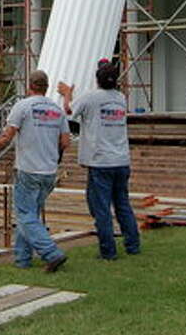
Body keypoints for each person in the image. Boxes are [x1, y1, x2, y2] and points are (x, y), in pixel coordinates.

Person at [0, 70, 70, 272]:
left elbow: (6, 137)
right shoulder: (57, 110)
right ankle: (22, 259)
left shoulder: (23, 106)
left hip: (28, 169)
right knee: (30, 216)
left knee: (24, 215)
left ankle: (51, 253)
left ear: (30, 86)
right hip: (49, 171)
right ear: (46, 87)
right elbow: (65, 142)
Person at [58, 58, 141, 261]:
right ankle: (133, 245)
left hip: (100, 162)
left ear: (97, 79)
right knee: (122, 204)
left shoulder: (91, 97)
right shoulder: (121, 98)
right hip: (121, 161)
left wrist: (67, 94)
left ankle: (108, 251)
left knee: (100, 208)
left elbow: (68, 112)